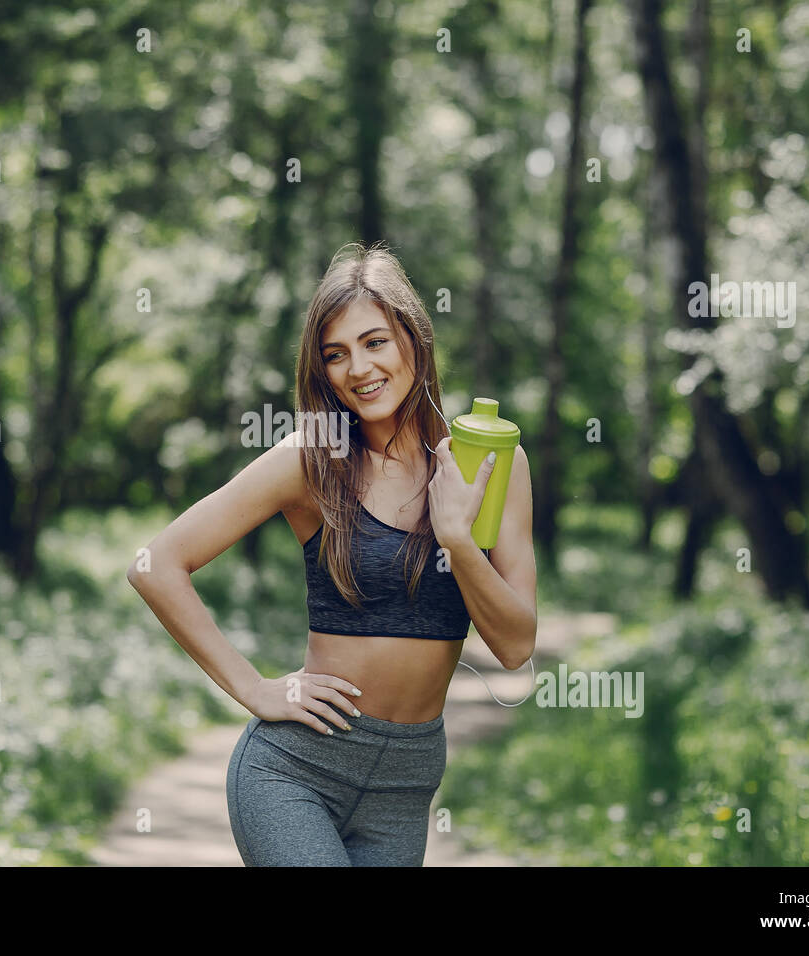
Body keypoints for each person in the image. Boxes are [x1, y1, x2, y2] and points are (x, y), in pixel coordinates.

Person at [127, 241, 537, 866]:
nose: (359, 369)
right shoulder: (310, 461)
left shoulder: (487, 465)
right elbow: (156, 564)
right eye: (336, 354)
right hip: (295, 771)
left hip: (404, 788)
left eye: (375, 342)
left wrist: (457, 538)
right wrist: (255, 689)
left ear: (413, 338)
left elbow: (515, 646)